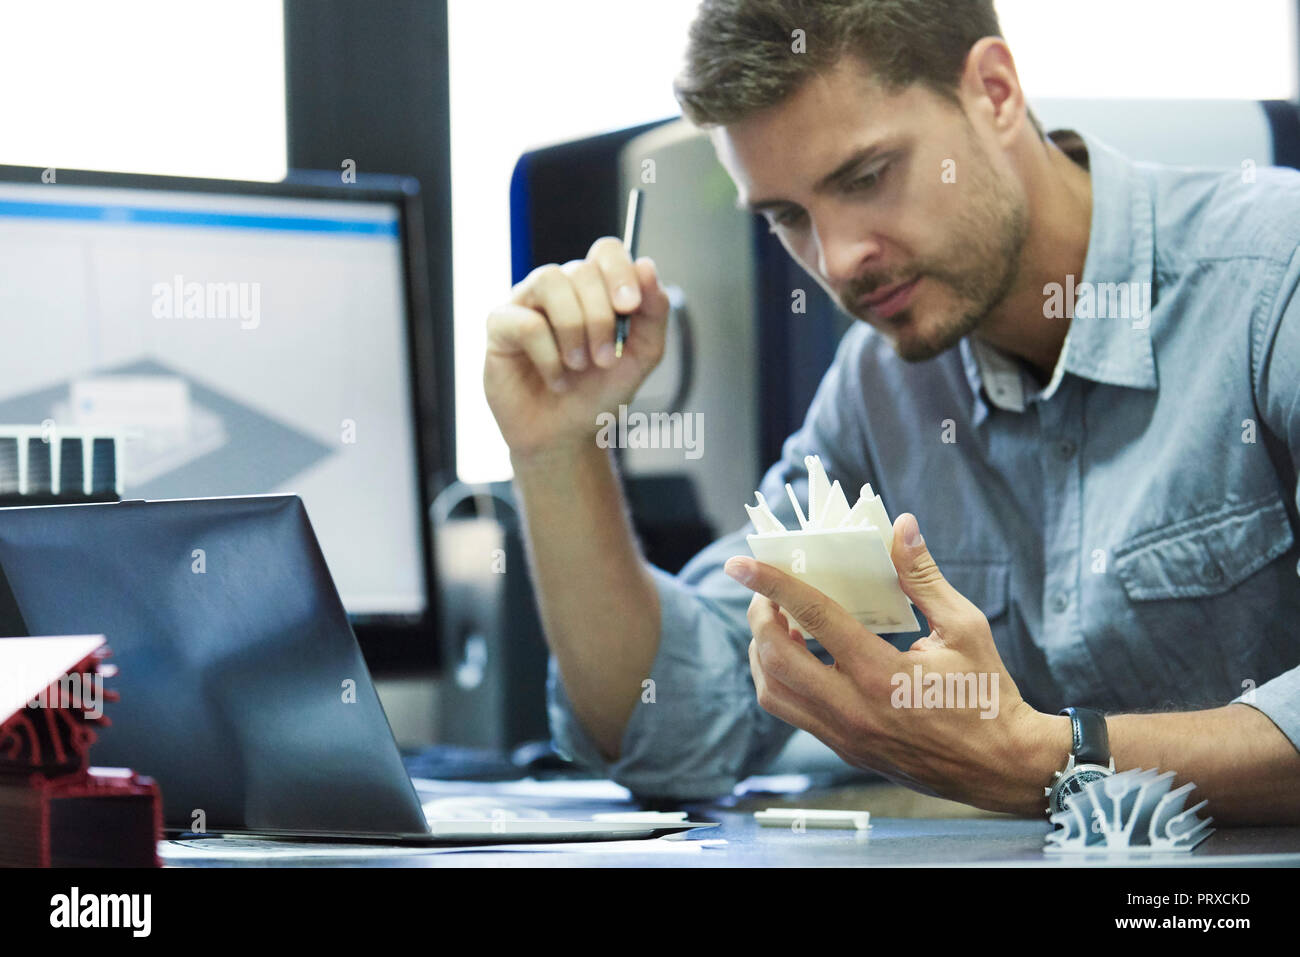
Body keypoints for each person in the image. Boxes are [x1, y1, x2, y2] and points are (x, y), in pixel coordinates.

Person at [483, 0, 1300, 823]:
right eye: (788, 218)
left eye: (867, 176)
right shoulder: (881, 387)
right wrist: (558, 451)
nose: (838, 262)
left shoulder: (1276, 276)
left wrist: (1046, 758)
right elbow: (674, 728)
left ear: (995, 91)